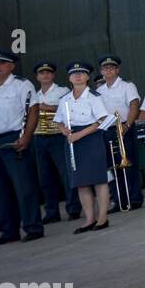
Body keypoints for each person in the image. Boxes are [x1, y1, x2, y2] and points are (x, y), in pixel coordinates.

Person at [0, 49, 43, 245]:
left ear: (12, 65)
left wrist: (27, 137)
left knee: (23, 186)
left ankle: (33, 227)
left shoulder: (22, 84)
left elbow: (33, 111)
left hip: (13, 139)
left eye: (2, 63)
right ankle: (9, 231)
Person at [54, 62, 115, 234]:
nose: (78, 76)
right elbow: (58, 120)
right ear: (69, 78)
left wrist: (80, 135)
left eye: (82, 73)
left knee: (98, 180)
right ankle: (89, 218)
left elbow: (102, 120)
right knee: (81, 182)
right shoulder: (64, 99)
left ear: (87, 77)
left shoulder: (94, 96)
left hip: (91, 138)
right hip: (72, 140)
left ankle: (102, 218)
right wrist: (63, 130)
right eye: (74, 73)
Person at [31, 60, 82, 222]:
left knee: (66, 174)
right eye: (41, 73)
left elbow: (69, 108)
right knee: (45, 177)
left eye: (48, 72)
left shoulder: (62, 90)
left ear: (53, 75)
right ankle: (52, 212)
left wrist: (48, 107)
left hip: (58, 136)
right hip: (39, 137)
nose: (45, 75)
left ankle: (73, 208)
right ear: (37, 77)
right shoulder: (34, 95)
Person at [95, 54, 143, 210]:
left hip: (125, 127)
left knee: (130, 164)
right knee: (113, 167)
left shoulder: (127, 85)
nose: (108, 71)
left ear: (117, 70)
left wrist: (127, 126)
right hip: (107, 130)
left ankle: (134, 198)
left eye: (111, 68)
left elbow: (134, 105)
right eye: (105, 68)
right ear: (101, 71)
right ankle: (119, 200)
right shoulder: (99, 91)